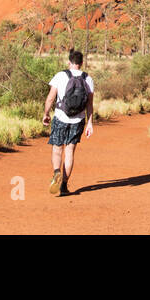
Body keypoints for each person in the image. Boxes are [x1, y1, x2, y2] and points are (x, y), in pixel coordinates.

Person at [42, 49, 95, 196]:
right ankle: (64, 186)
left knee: (57, 149)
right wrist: (89, 123)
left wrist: (46, 114)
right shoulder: (88, 78)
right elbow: (90, 104)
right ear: (82, 63)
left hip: (60, 117)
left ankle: (57, 172)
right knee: (70, 151)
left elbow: (51, 98)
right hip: (78, 120)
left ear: (69, 62)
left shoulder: (61, 76)